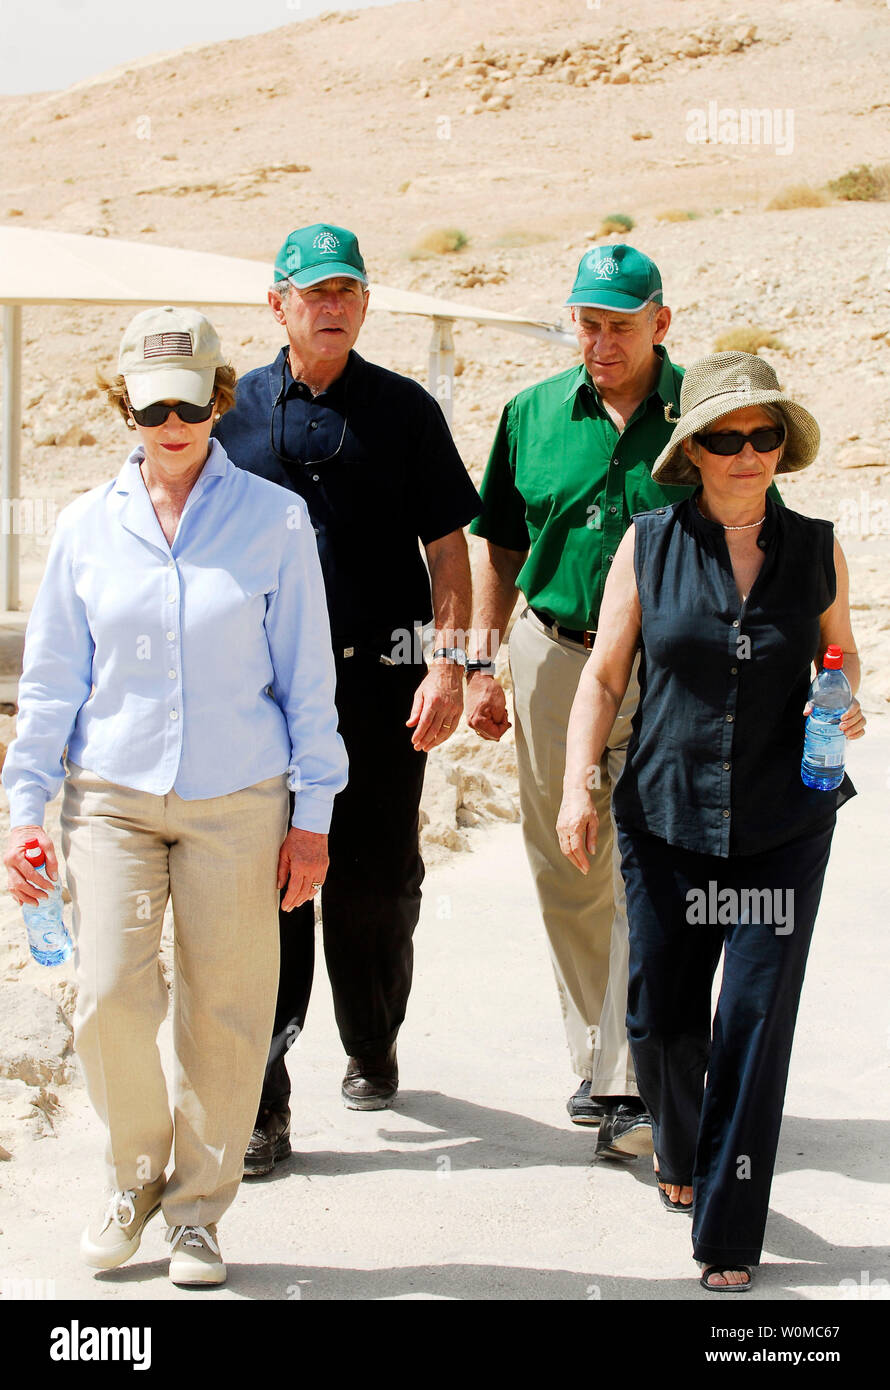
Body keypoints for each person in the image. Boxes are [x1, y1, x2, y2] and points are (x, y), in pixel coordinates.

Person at [2, 306, 347, 1287]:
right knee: (107, 994)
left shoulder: (274, 519)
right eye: (150, 405)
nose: (170, 422)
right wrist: (25, 809)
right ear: (126, 405)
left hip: (238, 800)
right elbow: (52, 682)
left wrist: (312, 817)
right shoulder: (82, 527)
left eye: (188, 402)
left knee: (227, 1014)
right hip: (112, 797)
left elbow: (307, 682)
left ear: (217, 398)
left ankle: (197, 1210)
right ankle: (135, 1171)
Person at [557, 351, 865, 1290]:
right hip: (666, 817)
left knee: (755, 1023)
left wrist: (845, 697)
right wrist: (578, 785)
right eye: (726, 438)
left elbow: (841, 653)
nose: (747, 453)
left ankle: (729, 1231)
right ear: (692, 450)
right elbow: (606, 674)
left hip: (784, 825)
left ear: (781, 445)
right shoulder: (649, 543)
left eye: (763, 435)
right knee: (659, 1024)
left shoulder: (815, 546)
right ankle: (680, 1150)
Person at [214, 223, 481, 1171]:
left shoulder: (406, 412)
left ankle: (371, 1039)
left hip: (381, 691)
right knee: (267, 895)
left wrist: (450, 663)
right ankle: (263, 1096)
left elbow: (448, 548)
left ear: (365, 305)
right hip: (257, 704)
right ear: (276, 302)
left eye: (347, 292)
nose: (331, 306)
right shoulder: (227, 413)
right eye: (312, 291)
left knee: (377, 889)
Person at [466, 245, 705, 1155]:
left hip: (667, 668)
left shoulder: (704, 411)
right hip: (553, 654)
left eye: (619, 325)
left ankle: (638, 1070)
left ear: (661, 322)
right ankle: (604, 1062)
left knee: (655, 863)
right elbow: (495, 539)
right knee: (568, 859)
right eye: (586, 323)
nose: (600, 343)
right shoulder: (530, 413)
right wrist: (482, 664)